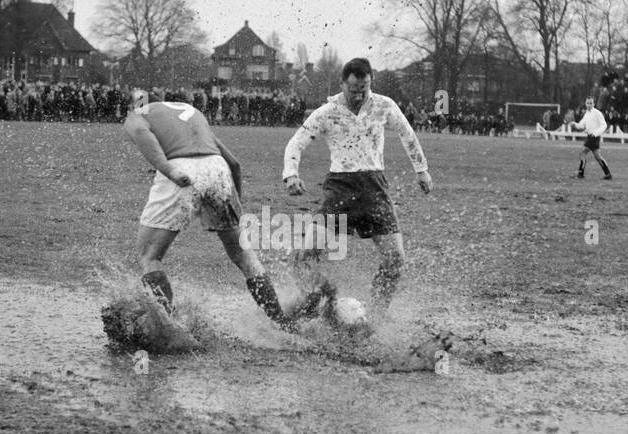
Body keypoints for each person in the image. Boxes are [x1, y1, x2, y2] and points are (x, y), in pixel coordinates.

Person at [122, 87, 314, 328]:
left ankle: (166, 327)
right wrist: (237, 210)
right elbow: (235, 164)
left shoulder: (137, 113)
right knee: (244, 255)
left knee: (149, 255)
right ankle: (281, 321)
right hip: (217, 169)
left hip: (180, 168)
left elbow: (141, 132)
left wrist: (170, 170)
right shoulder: (190, 110)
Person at [282, 57, 432, 315]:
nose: (359, 94)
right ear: (342, 84)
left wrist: (422, 170)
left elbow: (408, 135)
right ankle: (321, 297)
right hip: (341, 190)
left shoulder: (384, 106)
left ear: (370, 83)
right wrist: (291, 175)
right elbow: (296, 142)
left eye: (364, 88)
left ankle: (376, 316)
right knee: (304, 257)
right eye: (353, 89)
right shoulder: (327, 112)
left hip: (374, 190)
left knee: (395, 259)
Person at [571, 95, 613, 180]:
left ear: (594, 104)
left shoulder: (597, 113)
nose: (589, 105)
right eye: (587, 103)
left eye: (591, 103)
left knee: (582, 153)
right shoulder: (587, 114)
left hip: (593, 137)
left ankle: (580, 174)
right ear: (585, 103)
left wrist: (595, 133)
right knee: (597, 156)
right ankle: (608, 174)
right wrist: (575, 125)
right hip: (591, 136)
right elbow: (582, 125)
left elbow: (604, 125)